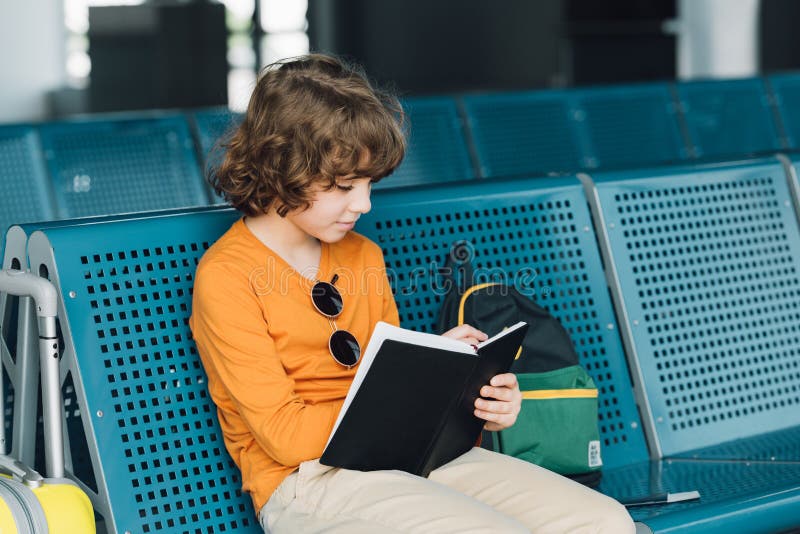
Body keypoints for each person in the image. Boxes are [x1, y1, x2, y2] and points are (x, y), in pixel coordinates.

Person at [189, 53, 634, 534]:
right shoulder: (227, 277)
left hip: (411, 457)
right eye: (343, 186)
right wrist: (410, 399)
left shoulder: (362, 256)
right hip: (309, 484)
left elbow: (389, 382)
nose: (363, 203)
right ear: (282, 168)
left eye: (367, 183)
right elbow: (285, 437)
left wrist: (472, 398)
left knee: (605, 522)